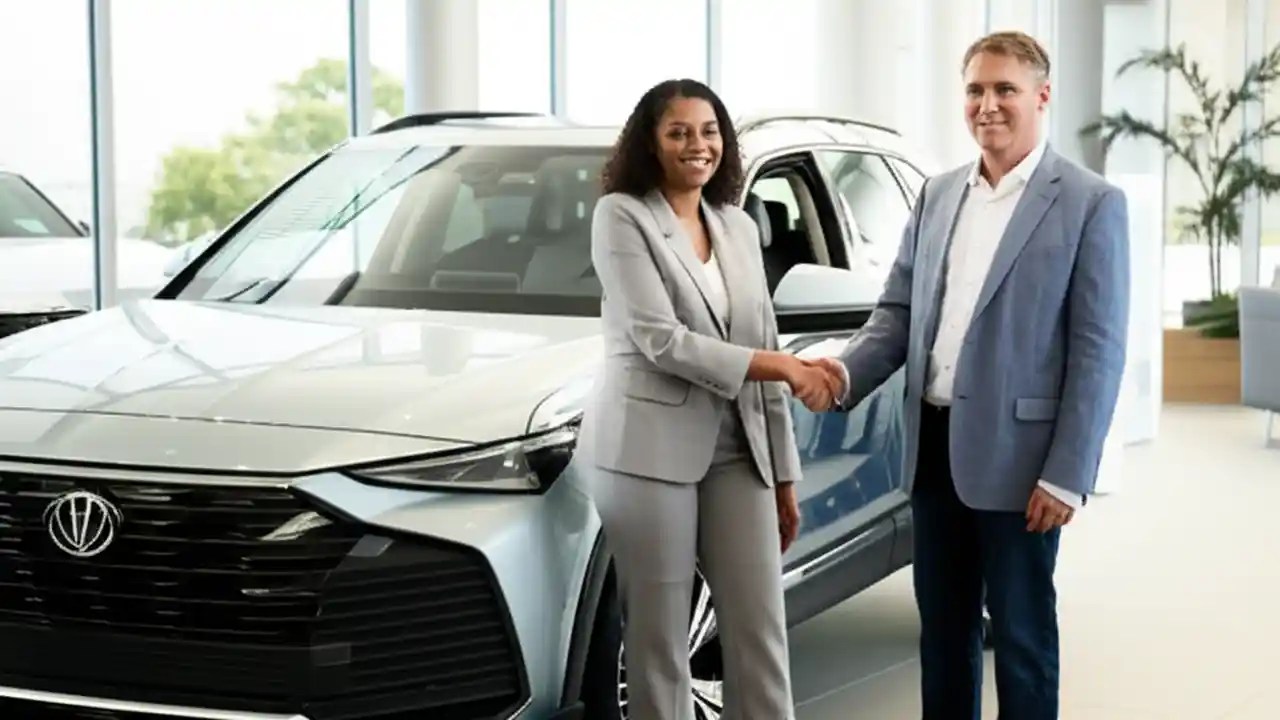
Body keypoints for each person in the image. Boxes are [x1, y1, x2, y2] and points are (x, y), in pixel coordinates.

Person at [811, 31, 1130, 718]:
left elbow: (1099, 350)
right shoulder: (938, 194)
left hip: (1023, 467)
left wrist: (1067, 472)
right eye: (976, 90)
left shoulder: (1089, 203)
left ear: (1042, 97)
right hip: (934, 454)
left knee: (1020, 638)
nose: (988, 105)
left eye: (1005, 90)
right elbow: (896, 313)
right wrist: (839, 376)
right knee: (943, 635)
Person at [577, 78, 841, 720]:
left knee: (760, 630)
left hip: (738, 450)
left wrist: (782, 477)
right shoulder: (622, 216)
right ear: (651, 143)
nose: (698, 145)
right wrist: (782, 367)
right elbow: (660, 340)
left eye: (709, 131)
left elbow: (763, 335)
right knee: (659, 638)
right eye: (679, 132)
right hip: (647, 453)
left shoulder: (738, 227)